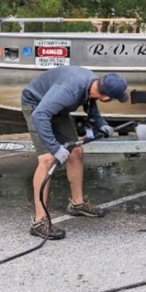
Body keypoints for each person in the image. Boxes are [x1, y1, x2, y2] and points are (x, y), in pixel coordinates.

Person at [21, 66, 124, 240]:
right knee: (47, 159)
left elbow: (91, 106)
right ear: (106, 96)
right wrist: (55, 148)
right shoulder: (69, 89)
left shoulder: (92, 85)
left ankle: (77, 204)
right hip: (36, 105)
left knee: (76, 151)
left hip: (55, 108)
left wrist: (101, 123)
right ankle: (39, 222)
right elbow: (40, 115)